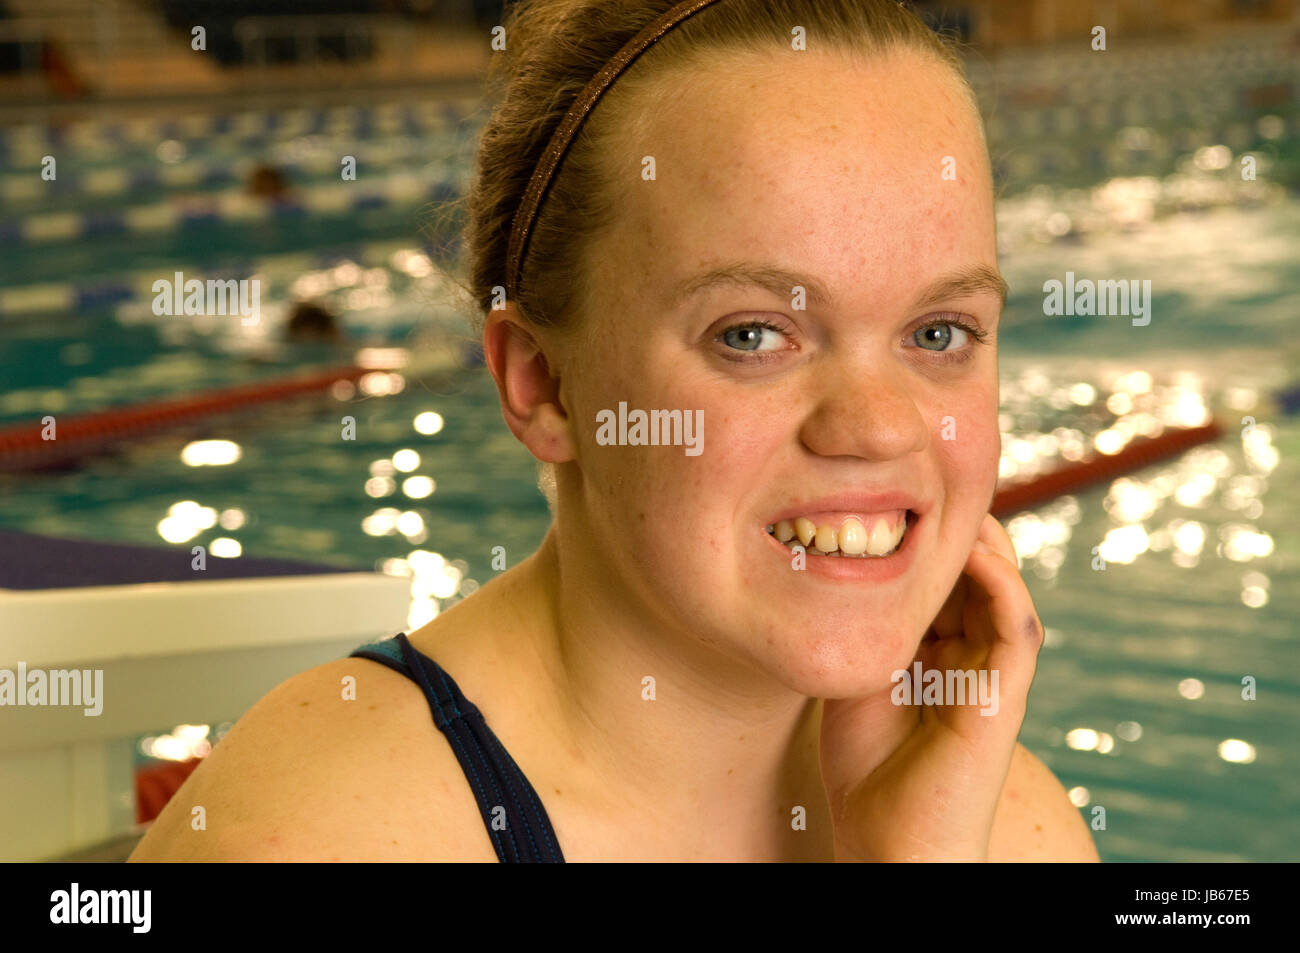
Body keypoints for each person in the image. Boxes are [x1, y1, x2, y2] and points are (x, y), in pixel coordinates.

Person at [130, 0, 1099, 862]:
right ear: (543, 383)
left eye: (940, 333)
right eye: (752, 334)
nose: (877, 426)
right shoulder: (321, 838)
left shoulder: (1003, 827)